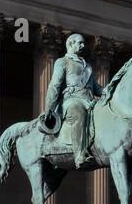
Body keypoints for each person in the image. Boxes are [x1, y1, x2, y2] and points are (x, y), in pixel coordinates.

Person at [41, 33, 101, 167]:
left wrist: (109, 91)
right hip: (72, 100)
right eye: (80, 43)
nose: (83, 45)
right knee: (78, 112)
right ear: (70, 44)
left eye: (83, 43)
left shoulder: (88, 65)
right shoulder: (62, 62)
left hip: (89, 100)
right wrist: (49, 108)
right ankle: (79, 154)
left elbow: (96, 88)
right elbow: (54, 85)